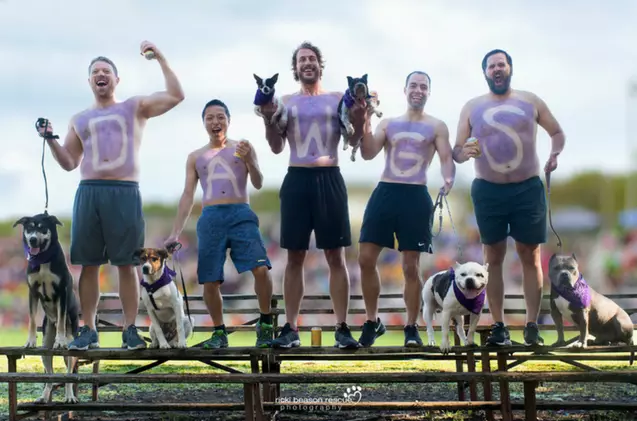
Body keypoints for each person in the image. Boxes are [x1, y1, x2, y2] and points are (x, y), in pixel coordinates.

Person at [36, 41, 185, 351]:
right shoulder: (79, 119)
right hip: (89, 191)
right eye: (95, 72)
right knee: (88, 265)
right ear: (89, 81)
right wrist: (51, 139)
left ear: (117, 80)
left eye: (106, 71)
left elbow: (176, 95)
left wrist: (160, 58)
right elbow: (68, 162)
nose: (100, 75)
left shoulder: (133, 107)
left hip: (124, 191)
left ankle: (130, 328)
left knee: (127, 264)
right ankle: (88, 329)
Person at [256, 41, 368, 349]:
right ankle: (291, 328)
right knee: (295, 256)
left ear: (320, 65)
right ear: (295, 68)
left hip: (329, 176)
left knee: (336, 255)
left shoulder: (336, 99)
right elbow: (277, 146)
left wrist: (360, 114)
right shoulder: (286, 102)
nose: (308, 63)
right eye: (302, 59)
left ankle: (342, 328)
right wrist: (267, 118)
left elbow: (354, 138)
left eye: (312, 58)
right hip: (297, 178)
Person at [453, 49, 565, 347]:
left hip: (527, 188)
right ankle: (500, 325)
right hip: (488, 190)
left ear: (510, 68)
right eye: (491, 66)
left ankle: (531, 325)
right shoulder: (472, 107)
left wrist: (554, 155)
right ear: (485, 73)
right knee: (493, 257)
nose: (497, 69)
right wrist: (464, 152)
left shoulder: (531, 101)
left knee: (530, 255)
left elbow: (557, 133)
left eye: (501, 64)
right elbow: (456, 151)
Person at [356, 71, 456, 347]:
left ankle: (411, 327)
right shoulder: (388, 123)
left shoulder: (437, 126)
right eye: (414, 85)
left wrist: (448, 179)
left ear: (428, 92)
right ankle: (371, 320)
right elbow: (367, 152)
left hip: (416, 194)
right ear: (405, 89)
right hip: (386, 191)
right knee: (365, 257)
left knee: (411, 266)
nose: (418, 90)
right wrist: (365, 117)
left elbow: (446, 159)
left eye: (424, 86)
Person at [164, 99, 274, 349]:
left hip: (241, 213)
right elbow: (188, 195)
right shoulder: (196, 157)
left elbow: (257, 182)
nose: (216, 122)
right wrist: (175, 233)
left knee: (261, 269)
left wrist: (251, 161)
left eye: (220, 117)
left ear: (228, 120)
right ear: (204, 123)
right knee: (210, 280)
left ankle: (265, 322)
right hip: (211, 216)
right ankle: (219, 332)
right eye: (210, 118)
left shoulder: (243, 147)